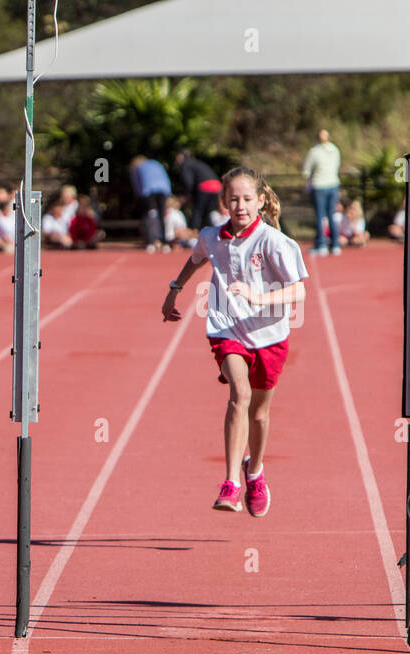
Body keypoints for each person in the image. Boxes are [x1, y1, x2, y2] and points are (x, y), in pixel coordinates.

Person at [160, 166, 308, 516]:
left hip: (269, 335)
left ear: (260, 200)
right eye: (233, 199)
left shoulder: (274, 241)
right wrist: (174, 290)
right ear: (224, 201)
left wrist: (259, 298)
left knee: (259, 413)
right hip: (226, 329)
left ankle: (254, 470)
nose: (240, 205)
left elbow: (299, 290)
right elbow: (196, 259)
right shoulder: (212, 236)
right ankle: (230, 483)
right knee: (238, 393)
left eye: (246, 199)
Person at [302, 128, 342, 256]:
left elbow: (306, 171)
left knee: (320, 215)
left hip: (319, 185)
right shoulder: (335, 150)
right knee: (331, 215)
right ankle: (335, 244)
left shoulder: (314, 151)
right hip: (333, 184)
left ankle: (322, 244)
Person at [129, 156, 172, 252]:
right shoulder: (156, 163)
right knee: (161, 216)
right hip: (163, 189)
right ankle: (165, 242)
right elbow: (165, 177)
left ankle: (149, 242)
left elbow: (136, 184)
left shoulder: (137, 168)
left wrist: (139, 197)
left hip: (148, 190)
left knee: (147, 215)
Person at [174, 150, 223, 231]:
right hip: (217, 186)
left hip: (205, 187)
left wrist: (185, 195)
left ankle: (193, 232)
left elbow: (188, 182)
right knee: (208, 213)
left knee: (197, 212)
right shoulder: (196, 163)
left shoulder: (186, 165)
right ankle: (212, 232)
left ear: (180, 157)